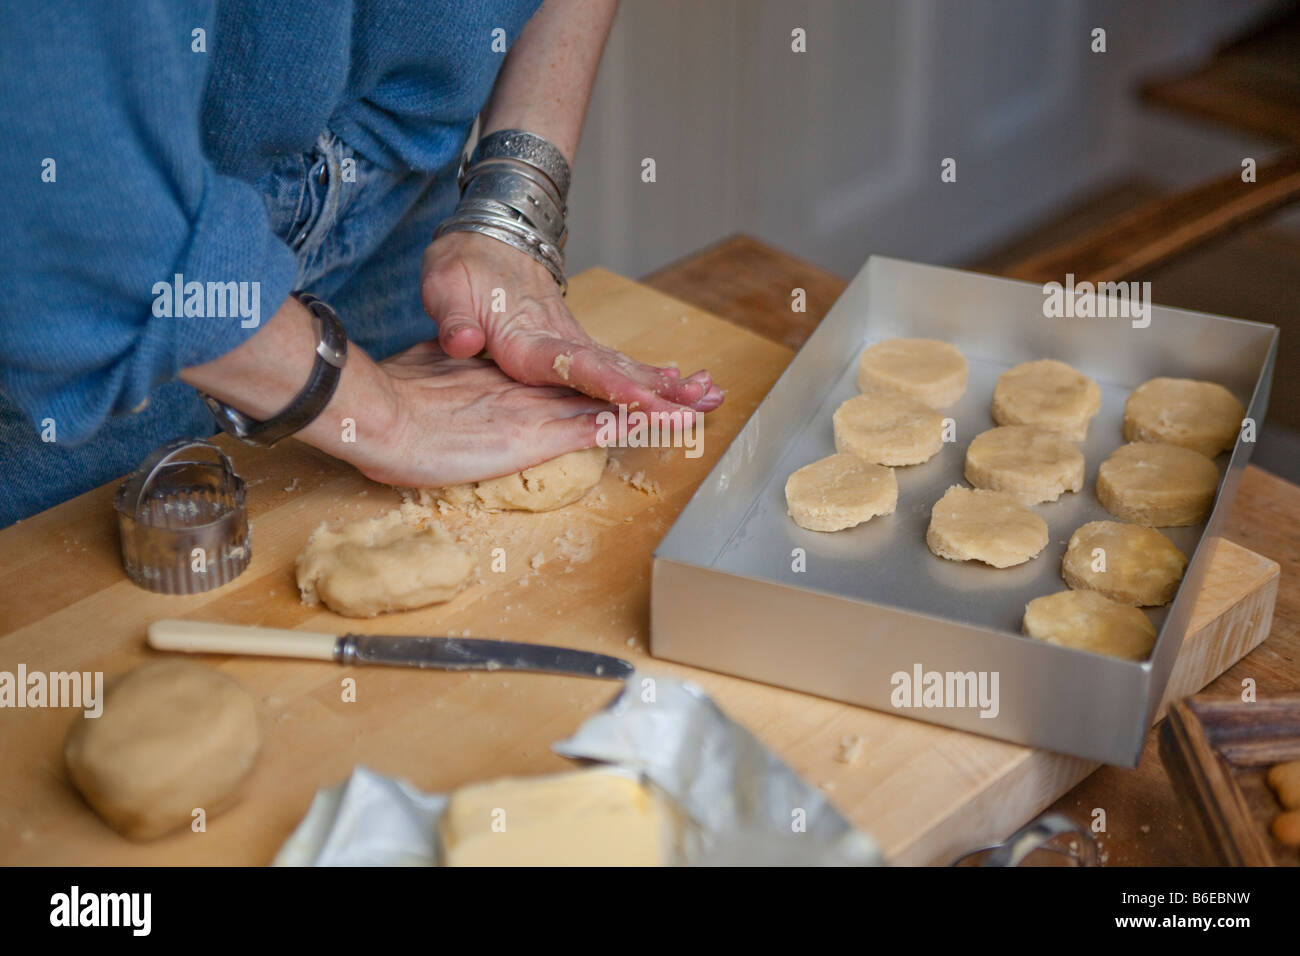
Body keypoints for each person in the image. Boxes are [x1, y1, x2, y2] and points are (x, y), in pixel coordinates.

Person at [0, 0, 722, 527]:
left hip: (401, 218)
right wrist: (387, 420)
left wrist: (509, 214)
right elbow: (77, 212)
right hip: (82, 325)